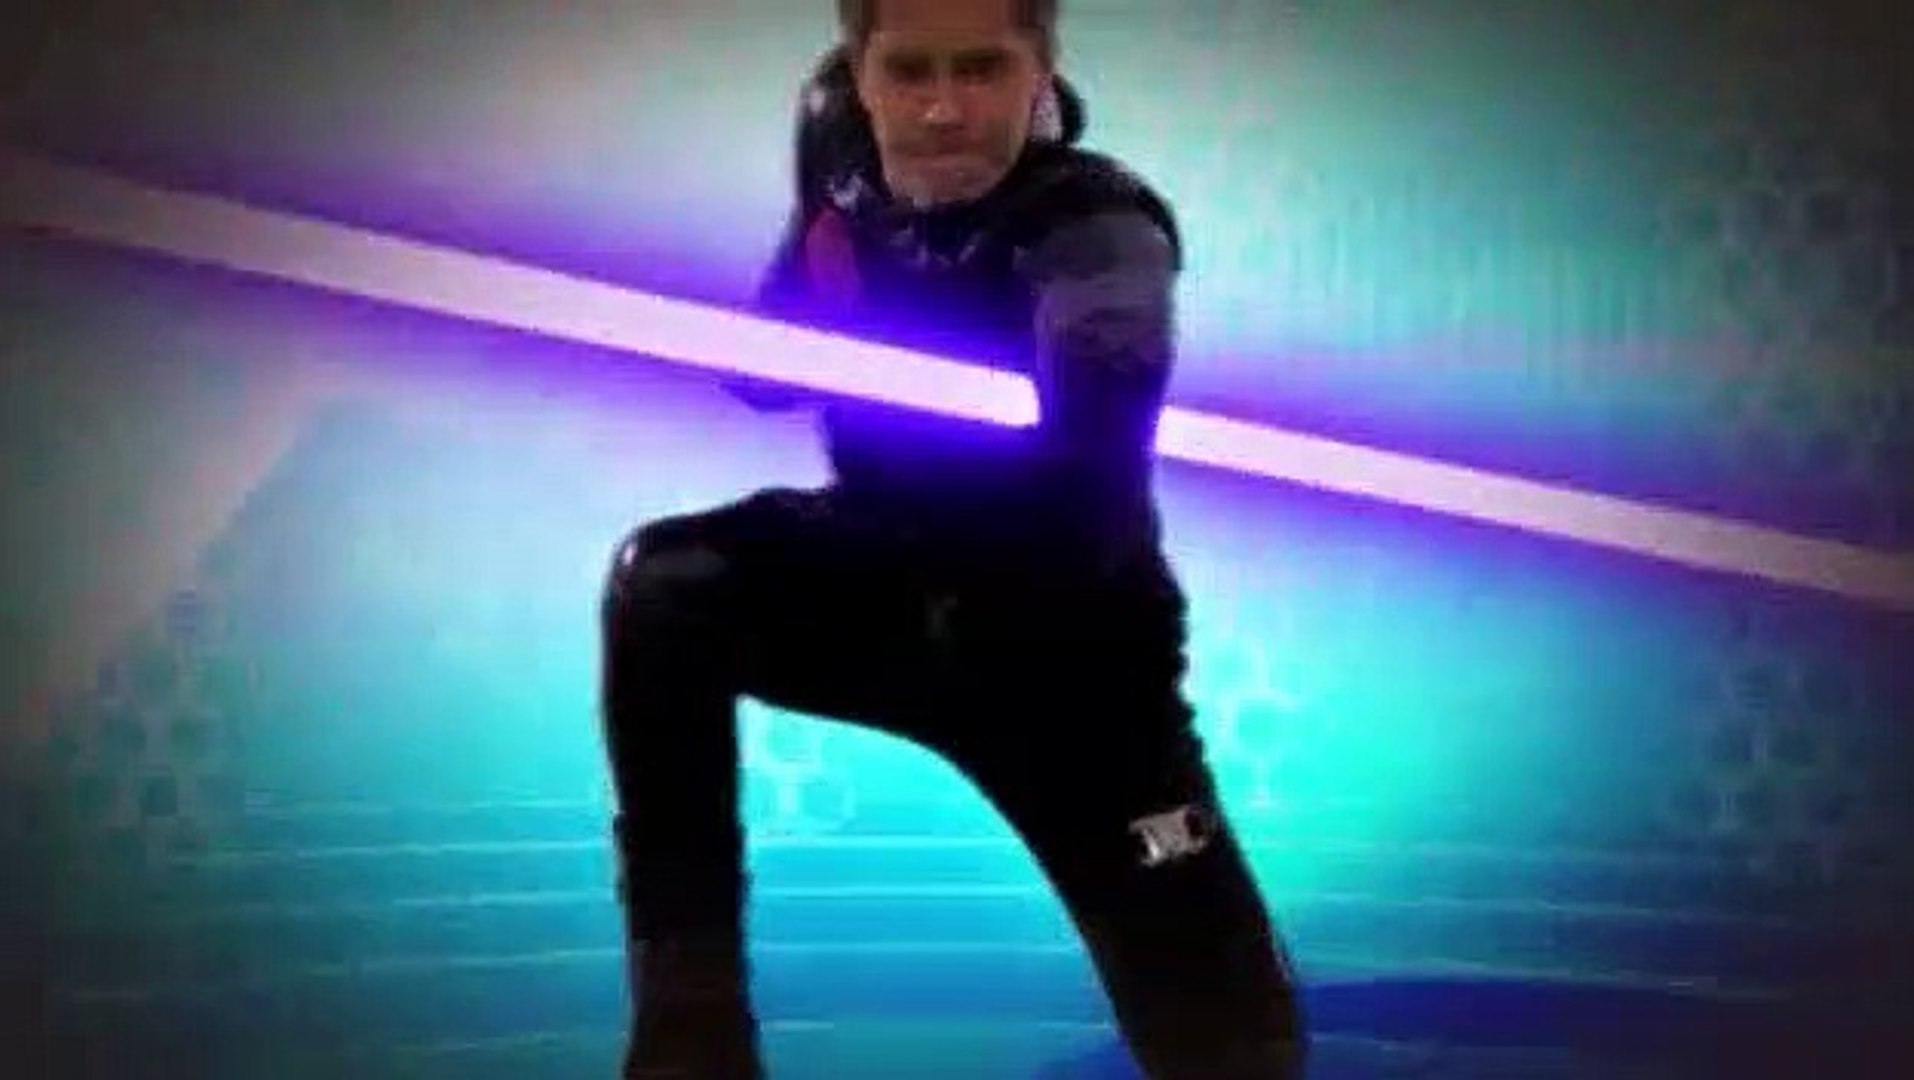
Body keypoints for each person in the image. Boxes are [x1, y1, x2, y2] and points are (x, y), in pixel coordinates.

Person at [599, 1, 1307, 1076]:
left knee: (1235, 1049)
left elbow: (1101, 399)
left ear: (1041, 71)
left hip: (1067, 661)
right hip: (877, 584)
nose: (941, 110)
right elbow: (762, 375)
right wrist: (823, 278)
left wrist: (1094, 356)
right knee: (666, 588)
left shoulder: (1095, 222)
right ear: (861, 72)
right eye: (910, 72)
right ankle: (688, 1035)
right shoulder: (840, 157)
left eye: (981, 70)